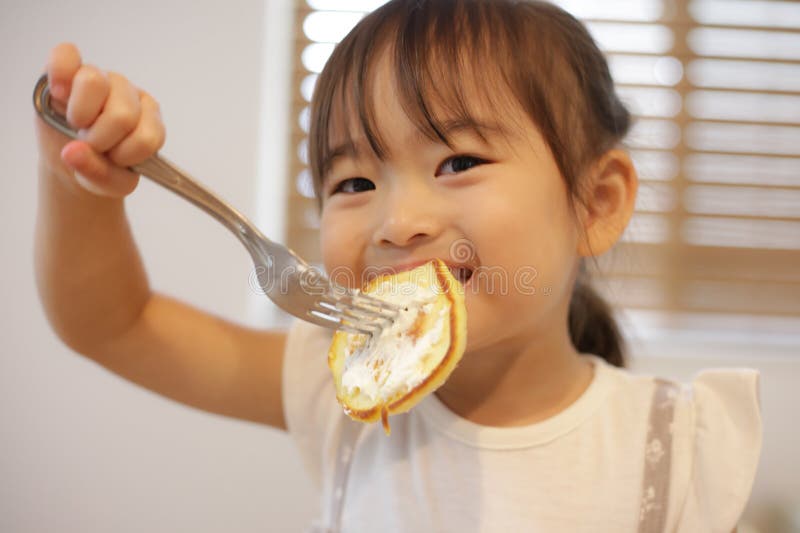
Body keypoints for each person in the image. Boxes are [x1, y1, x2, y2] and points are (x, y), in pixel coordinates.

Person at [34, 1, 761, 531]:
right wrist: (74, 181)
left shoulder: (680, 450)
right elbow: (112, 323)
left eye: (458, 161)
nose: (397, 222)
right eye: (354, 182)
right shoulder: (330, 390)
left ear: (596, 202)